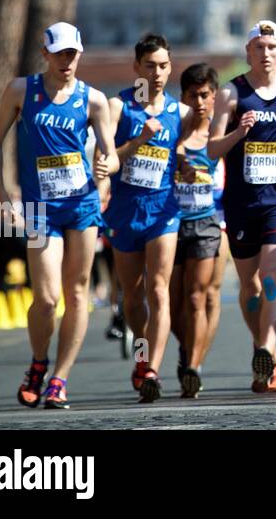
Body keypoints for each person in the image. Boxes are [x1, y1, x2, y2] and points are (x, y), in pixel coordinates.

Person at [0, 23, 119, 409]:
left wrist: (105, 166)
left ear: (79, 54)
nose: (67, 61)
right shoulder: (20, 91)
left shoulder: (93, 99)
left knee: (77, 292)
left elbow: (110, 154)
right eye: (59, 53)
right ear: (45, 53)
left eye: (72, 54)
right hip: (38, 208)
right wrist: (2, 194)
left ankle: (59, 379)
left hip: (81, 205)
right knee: (46, 298)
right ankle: (38, 363)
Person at [207, 21, 276, 394]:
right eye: (259, 47)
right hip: (242, 203)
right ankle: (262, 347)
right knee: (250, 287)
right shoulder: (230, 95)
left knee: (274, 278)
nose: (266, 53)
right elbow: (211, 150)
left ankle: (269, 350)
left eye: (272, 47)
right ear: (248, 52)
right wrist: (239, 132)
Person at [105, 33, 190, 402]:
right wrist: (138, 140)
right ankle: (141, 355)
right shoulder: (118, 107)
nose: (157, 74)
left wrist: (187, 166)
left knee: (159, 289)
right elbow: (107, 162)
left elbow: (190, 155)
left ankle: (152, 367)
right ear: (136, 67)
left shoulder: (180, 113)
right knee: (133, 296)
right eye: (150, 66)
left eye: (164, 66)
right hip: (125, 212)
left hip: (163, 211)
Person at [172, 63, 225, 398]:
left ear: (215, 96)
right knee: (172, 303)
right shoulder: (174, 130)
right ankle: (188, 347)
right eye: (193, 95)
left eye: (205, 95)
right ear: (184, 97)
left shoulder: (222, 132)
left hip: (213, 220)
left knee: (201, 296)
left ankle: (194, 366)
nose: (200, 102)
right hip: (172, 222)